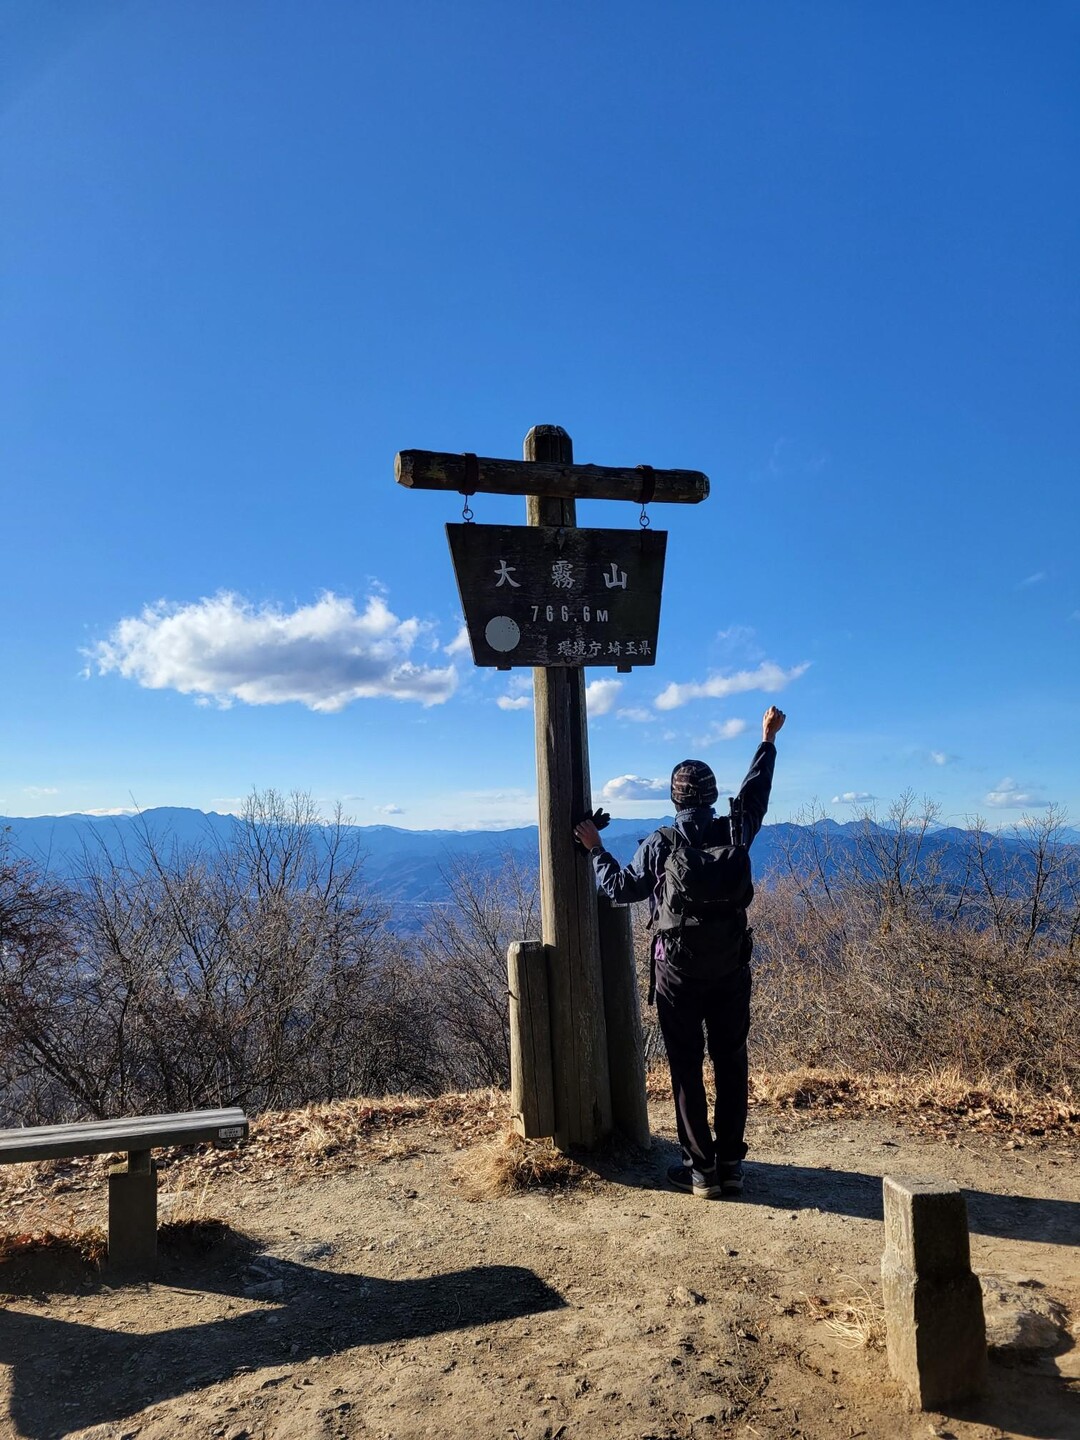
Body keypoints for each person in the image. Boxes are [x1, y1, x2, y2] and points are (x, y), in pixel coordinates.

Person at [573, 705, 785, 1198]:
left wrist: (594, 848)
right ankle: (731, 1162)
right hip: (731, 967)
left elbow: (623, 890)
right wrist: (767, 739)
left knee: (687, 1066)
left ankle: (701, 1170)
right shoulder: (735, 831)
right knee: (731, 1060)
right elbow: (757, 793)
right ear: (712, 796)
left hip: (678, 973)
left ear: (673, 797)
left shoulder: (661, 843)